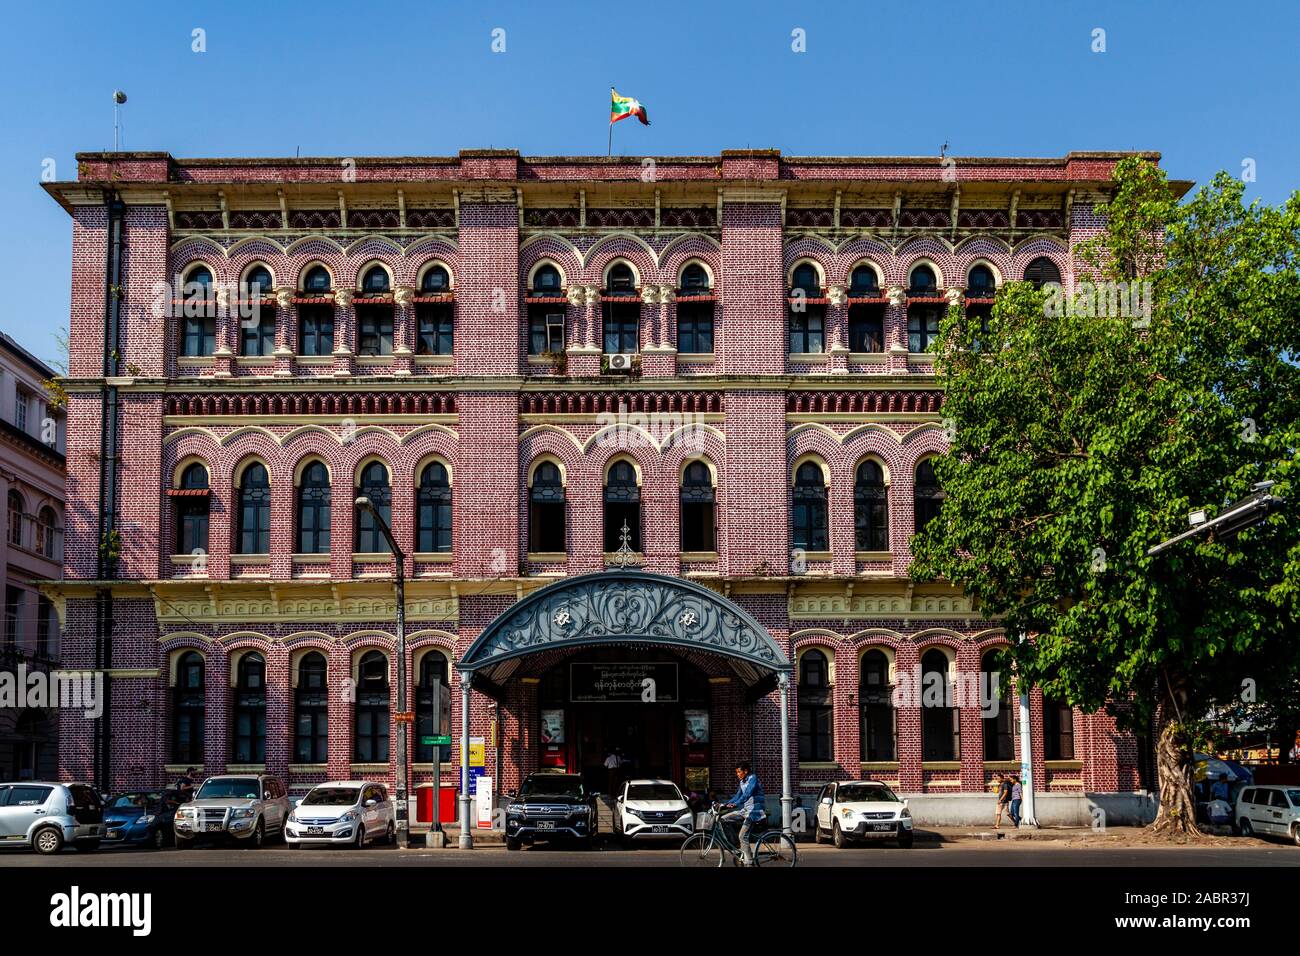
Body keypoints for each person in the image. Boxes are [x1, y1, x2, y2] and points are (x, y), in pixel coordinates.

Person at [721, 761, 766, 866]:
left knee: (742, 836)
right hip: (746, 810)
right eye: (736, 772)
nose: (737, 774)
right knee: (723, 819)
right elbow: (737, 796)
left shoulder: (752, 778)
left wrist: (736, 804)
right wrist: (724, 804)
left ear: (745, 771)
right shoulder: (742, 782)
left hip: (755, 811)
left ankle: (749, 863)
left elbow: (747, 793)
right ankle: (737, 845)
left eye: (739, 772)